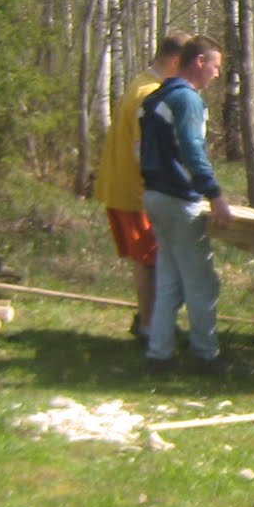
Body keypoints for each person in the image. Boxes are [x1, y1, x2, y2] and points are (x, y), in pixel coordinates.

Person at [139, 34, 233, 373]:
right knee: (201, 282)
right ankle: (206, 355)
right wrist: (215, 195)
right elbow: (192, 150)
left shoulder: (156, 97)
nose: (217, 74)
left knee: (169, 280)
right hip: (179, 199)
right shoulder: (187, 100)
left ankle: (159, 353)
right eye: (216, 66)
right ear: (200, 62)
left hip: (153, 195)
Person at [93, 31, 188, 343]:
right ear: (175, 60)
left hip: (124, 189)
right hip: (136, 194)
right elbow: (141, 149)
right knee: (151, 263)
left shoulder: (141, 84)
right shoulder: (149, 93)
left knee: (148, 262)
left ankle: (149, 321)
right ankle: (150, 326)